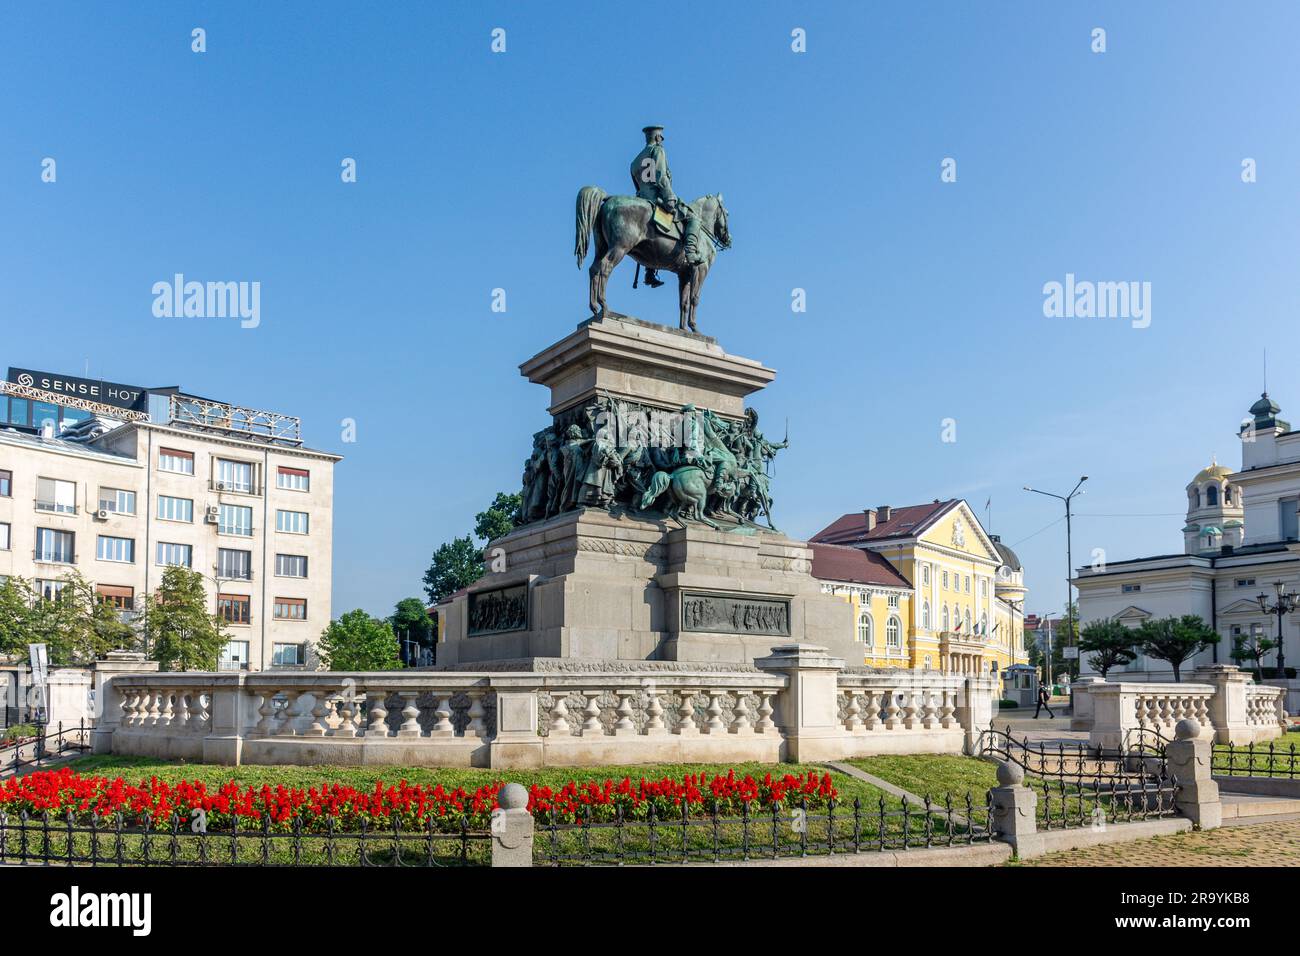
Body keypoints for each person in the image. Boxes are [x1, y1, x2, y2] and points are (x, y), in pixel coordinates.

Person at [630, 124, 704, 287]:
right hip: (657, 198)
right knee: (693, 218)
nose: (661, 141)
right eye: (661, 138)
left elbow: (637, 185)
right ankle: (691, 253)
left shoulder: (634, 161)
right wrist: (669, 196)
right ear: (657, 137)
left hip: (641, 199)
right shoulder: (658, 151)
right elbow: (661, 176)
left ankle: (649, 272)